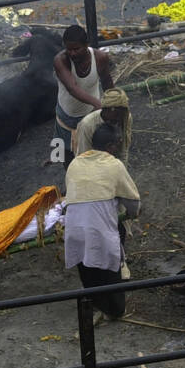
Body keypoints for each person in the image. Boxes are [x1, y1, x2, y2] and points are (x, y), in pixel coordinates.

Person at [63, 124, 140, 320]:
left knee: (87, 266)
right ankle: (115, 311)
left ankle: (95, 304)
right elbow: (132, 201)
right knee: (108, 267)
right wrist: (133, 213)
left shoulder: (75, 163)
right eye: (118, 144)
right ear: (111, 146)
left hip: (74, 226)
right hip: (99, 226)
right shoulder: (114, 164)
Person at [53, 24, 114, 162]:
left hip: (91, 114)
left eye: (76, 49)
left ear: (86, 45)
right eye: (69, 49)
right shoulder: (61, 60)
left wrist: (114, 103)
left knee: (94, 153)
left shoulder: (100, 58)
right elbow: (72, 88)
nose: (72, 53)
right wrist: (98, 103)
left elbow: (107, 83)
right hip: (67, 116)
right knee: (67, 156)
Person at [72, 87, 132, 159]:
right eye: (117, 114)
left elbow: (124, 149)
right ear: (108, 109)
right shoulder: (87, 125)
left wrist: (121, 167)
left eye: (122, 115)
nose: (119, 119)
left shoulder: (125, 117)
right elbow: (84, 156)